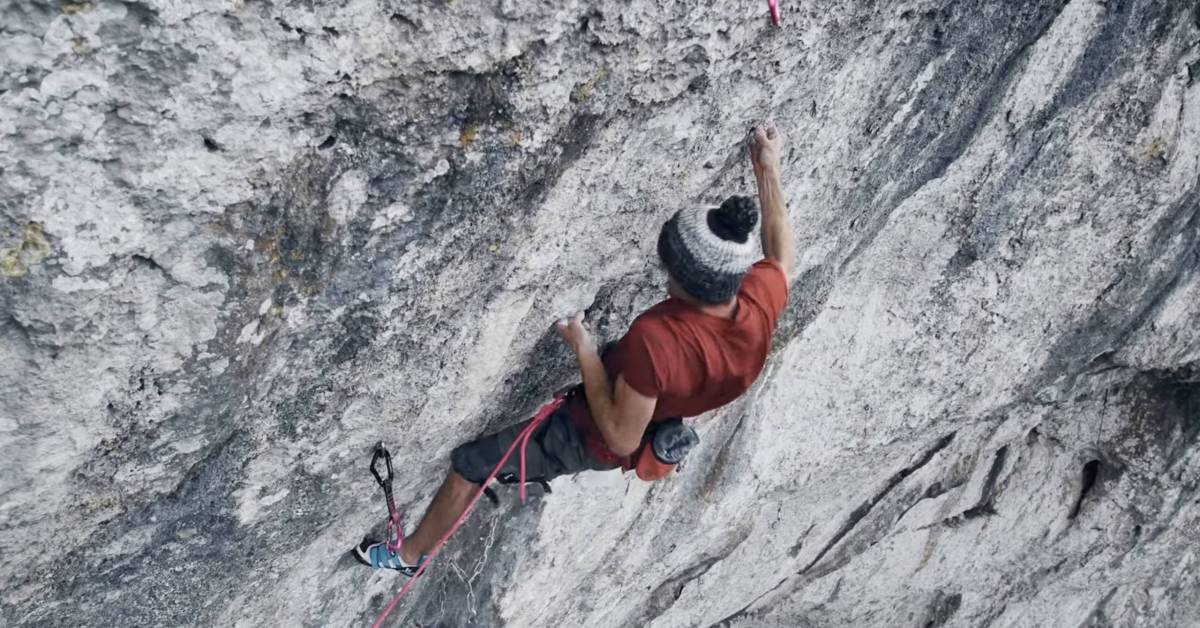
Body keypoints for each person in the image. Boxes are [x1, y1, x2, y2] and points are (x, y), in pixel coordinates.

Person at [355, 124, 797, 573]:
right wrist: (768, 169)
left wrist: (584, 349)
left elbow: (620, 437)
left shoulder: (660, 341)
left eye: (671, 264)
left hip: (587, 436)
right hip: (661, 406)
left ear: (685, 277)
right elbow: (781, 254)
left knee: (472, 462)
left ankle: (408, 557)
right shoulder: (758, 302)